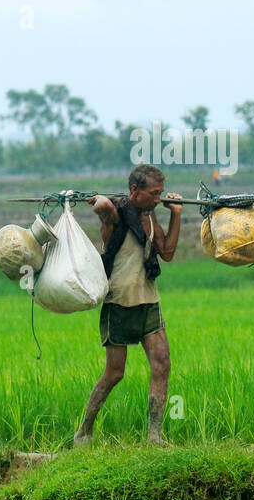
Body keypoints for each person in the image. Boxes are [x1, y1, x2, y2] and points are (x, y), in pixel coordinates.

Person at [74, 164, 182, 447]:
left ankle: (155, 436)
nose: (158, 198)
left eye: (161, 193)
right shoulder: (117, 215)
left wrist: (176, 214)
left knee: (162, 364)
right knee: (114, 374)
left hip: (148, 301)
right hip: (119, 303)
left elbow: (167, 252)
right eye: (153, 193)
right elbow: (104, 208)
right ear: (135, 190)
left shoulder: (150, 217)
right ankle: (84, 431)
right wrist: (98, 199)